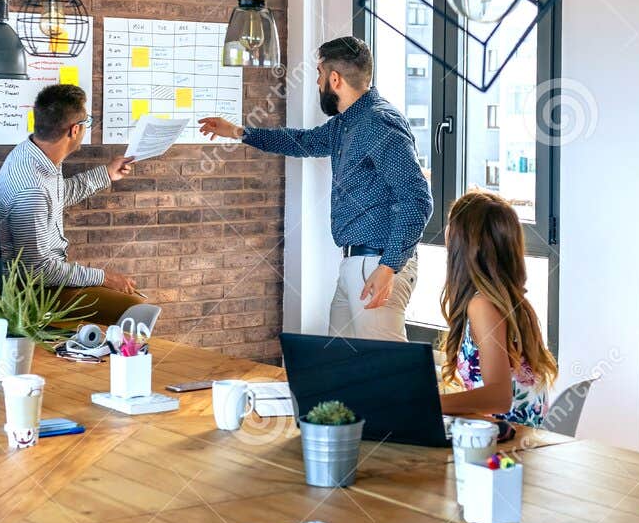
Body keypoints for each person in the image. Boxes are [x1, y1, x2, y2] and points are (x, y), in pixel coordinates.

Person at [197, 36, 432, 341]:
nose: (318, 82)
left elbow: (417, 200)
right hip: (355, 262)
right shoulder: (347, 123)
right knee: (339, 369)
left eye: (319, 75)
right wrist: (240, 132)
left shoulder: (378, 122)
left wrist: (388, 267)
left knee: (384, 374)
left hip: (378, 262)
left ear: (335, 79)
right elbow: (303, 141)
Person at [0, 83, 142, 325]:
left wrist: (107, 173)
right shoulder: (33, 190)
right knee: (138, 308)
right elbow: (38, 272)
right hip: (28, 294)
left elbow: (59, 195)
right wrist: (103, 277)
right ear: (75, 130)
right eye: (86, 124)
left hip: (40, 281)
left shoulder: (29, 154)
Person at [436, 191, 556, 427]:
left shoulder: (483, 305)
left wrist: (427, 403)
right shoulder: (510, 301)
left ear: (465, 243)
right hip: (520, 443)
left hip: (505, 447)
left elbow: (498, 398)